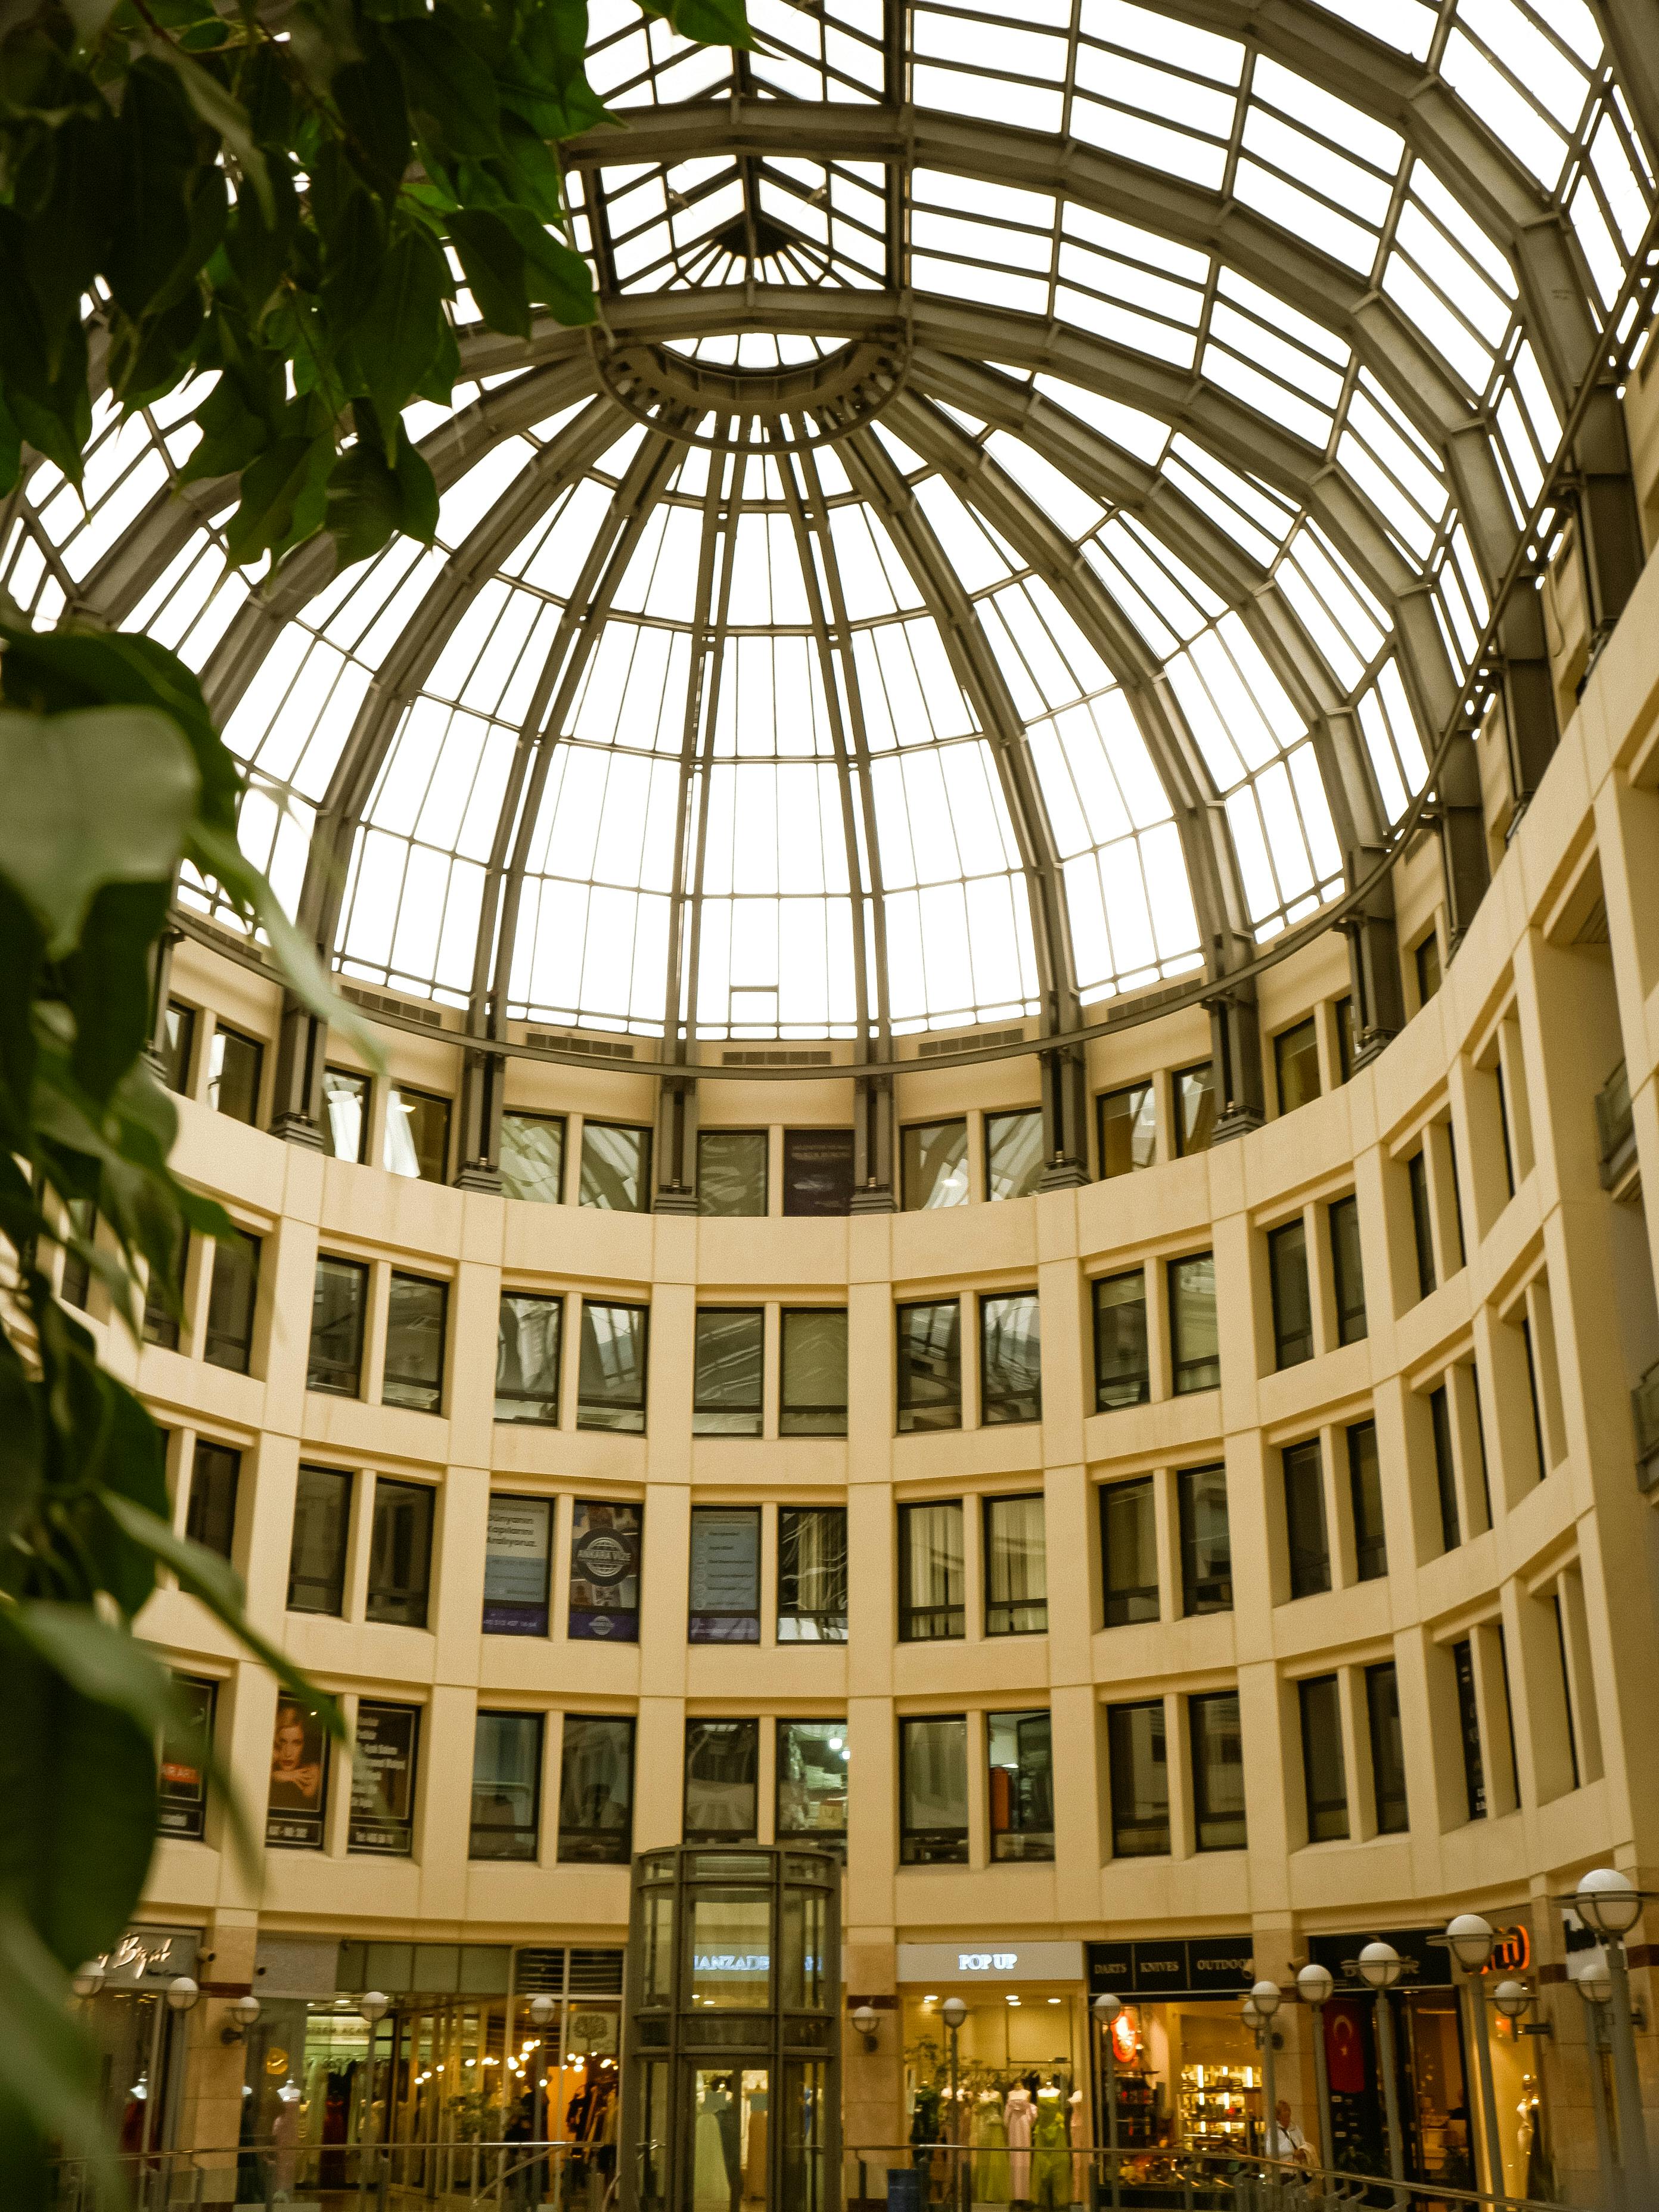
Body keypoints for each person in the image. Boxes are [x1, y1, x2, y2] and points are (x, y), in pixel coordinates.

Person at [1266, 2100, 1309, 2165]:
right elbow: (1270, 2151)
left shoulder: (1295, 2128)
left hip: (1298, 2169)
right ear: (1278, 2115)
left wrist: (1303, 2152)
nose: (1288, 2112)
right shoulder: (1273, 2131)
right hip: (1283, 2170)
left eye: (1289, 2110)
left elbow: (1303, 2143)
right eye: (1285, 2110)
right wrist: (1292, 2151)